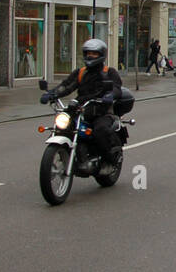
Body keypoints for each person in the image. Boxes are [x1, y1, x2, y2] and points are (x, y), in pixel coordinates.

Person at [42, 39, 124, 175]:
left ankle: (108, 161)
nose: (90, 56)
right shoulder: (80, 72)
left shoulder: (109, 72)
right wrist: (51, 94)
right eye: (88, 53)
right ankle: (73, 156)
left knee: (100, 130)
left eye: (94, 53)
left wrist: (110, 95)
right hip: (81, 109)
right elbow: (67, 86)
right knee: (63, 127)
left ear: (101, 55)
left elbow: (117, 88)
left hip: (101, 111)